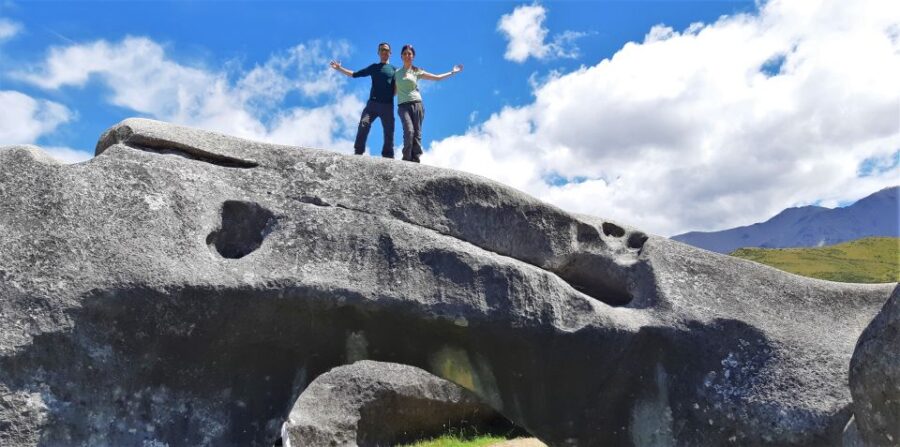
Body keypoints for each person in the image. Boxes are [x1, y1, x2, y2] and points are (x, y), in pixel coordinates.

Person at [394, 44, 463, 163]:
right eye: (405, 53)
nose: (407, 56)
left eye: (409, 54)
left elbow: (436, 78)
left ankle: (415, 159)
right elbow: (394, 91)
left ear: (413, 56)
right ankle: (406, 158)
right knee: (409, 131)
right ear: (401, 56)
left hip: (417, 104)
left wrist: (452, 72)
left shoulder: (416, 71)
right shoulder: (396, 73)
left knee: (417, 133)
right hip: (403, 106)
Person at [330, 42, 396, 158]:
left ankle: (388, 156)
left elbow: (402, 84)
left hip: (387, 106)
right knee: (363, 125)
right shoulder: (374, 67)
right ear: (378, 53)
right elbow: (355, 74)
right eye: (382, 50)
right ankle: (358, 152)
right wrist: (340, 69)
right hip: (372, 107)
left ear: (390, 53)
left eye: (386, 50)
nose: (384, 52)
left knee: (389, 131)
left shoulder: (394, 70)